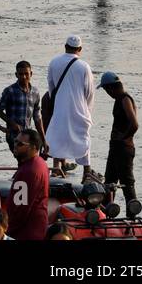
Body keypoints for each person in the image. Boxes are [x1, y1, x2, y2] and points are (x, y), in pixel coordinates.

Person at [46, 36, 95, 179]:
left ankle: (56, 168)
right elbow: (89, 92)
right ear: (80, 49)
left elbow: (51, 87)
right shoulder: (84, 66)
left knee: (57, 136)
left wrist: (57, 102)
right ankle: (87, 170)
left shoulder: (54, 62)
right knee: (83, 136)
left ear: (65, 46)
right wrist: (88, 110)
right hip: (79, 108)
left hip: (60, 107)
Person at [99, 71, 138, 203]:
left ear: (110, 88)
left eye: (105, 89)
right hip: (116, 147)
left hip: (123, 148)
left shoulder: (125, 99)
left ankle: (132, 214)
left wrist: (123, 137)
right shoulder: (119, 99)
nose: (107, 93)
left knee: (127, 183)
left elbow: (134, 124)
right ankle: (107, 212)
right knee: (110, 181)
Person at [6, 129, 49, 239]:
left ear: (33, 147)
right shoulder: (40, 163)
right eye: (15, 141)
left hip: (26, 231)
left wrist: (8, 230)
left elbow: (20, 208)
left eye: (20, 144)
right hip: (37, 226)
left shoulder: (28, 171)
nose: (15, 146)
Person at [0, 60, 46, 153]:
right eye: (20, 74)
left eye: (26, 74)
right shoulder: (10, 91)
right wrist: (12, 123)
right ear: (16, 74)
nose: (24, 77)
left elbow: (37, 118)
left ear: (31, 74)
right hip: (14, 136)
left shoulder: (35, 92)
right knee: (23, 161)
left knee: (30, 162)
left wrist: (44, 139)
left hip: (29, 135)